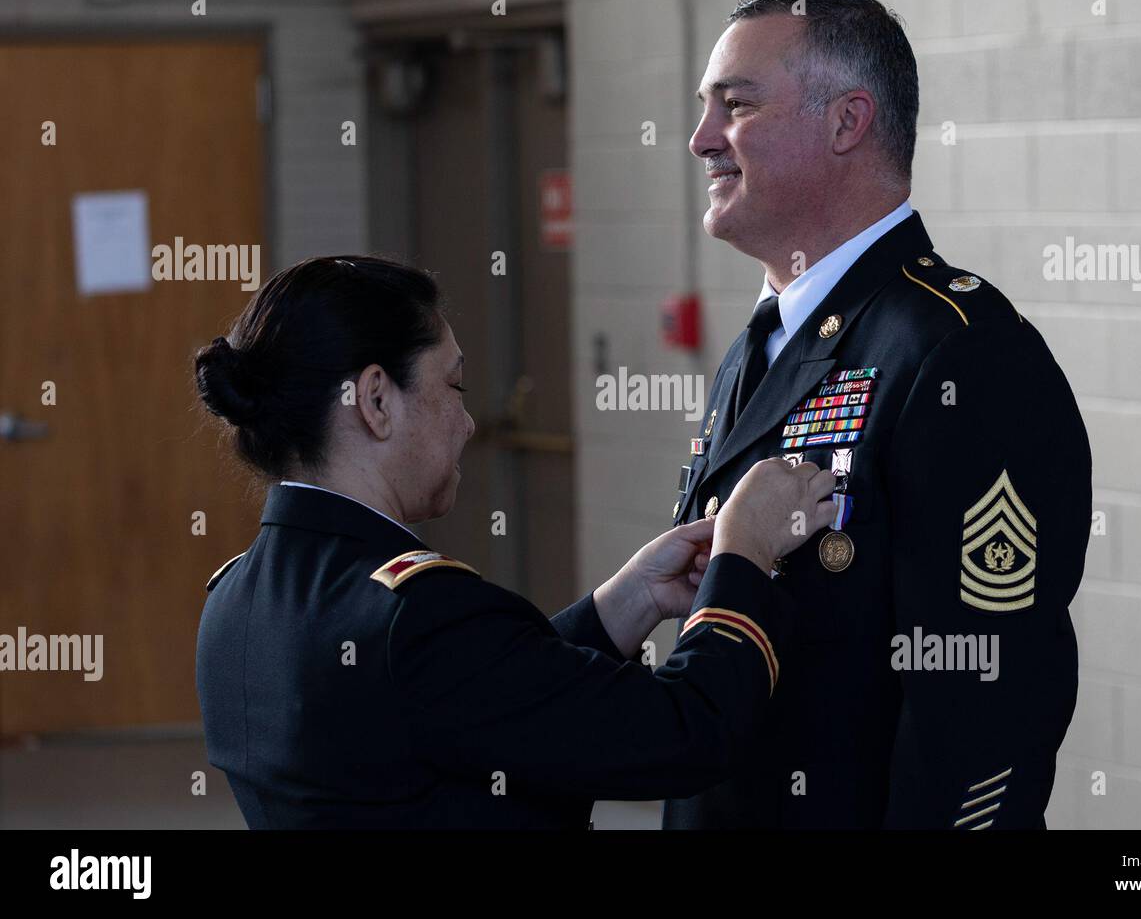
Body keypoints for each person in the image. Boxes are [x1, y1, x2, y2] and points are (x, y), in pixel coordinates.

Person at [194, 254, 837, 829]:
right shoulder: (414, 615)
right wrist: (744, 555)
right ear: (375, 401)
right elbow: (684, 734)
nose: (469, 422)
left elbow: (482, 702)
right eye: (453, 386)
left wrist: (628, 602)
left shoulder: (232, 602)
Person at [667, 0, 1092, 829]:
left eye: (737, 106)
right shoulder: (766, 338)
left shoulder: (960, 351)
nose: (701, 139)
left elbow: (983, 699)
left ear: (845, 122)